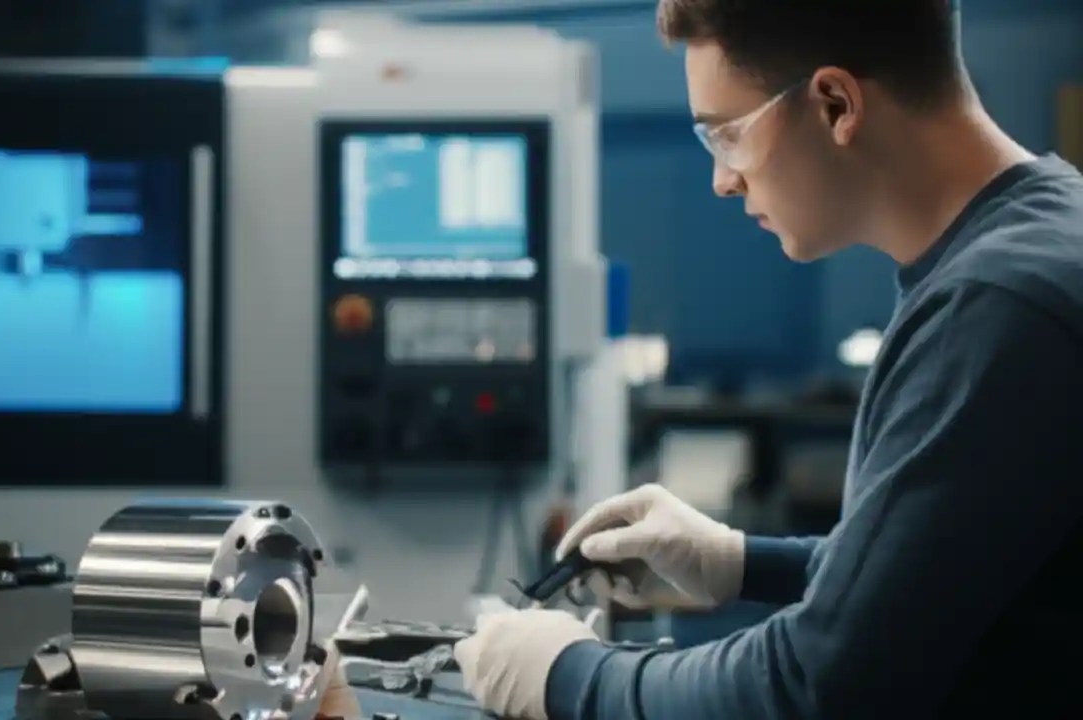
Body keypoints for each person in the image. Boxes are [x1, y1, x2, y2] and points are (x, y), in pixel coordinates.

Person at [453, 0, 1083, 718]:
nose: (723, 180)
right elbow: (941, 581)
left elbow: (816, 684)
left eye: (725, 135)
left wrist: (569, 676)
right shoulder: (1037, 242)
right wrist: (740, 561)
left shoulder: (998, 304)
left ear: (836, 103)